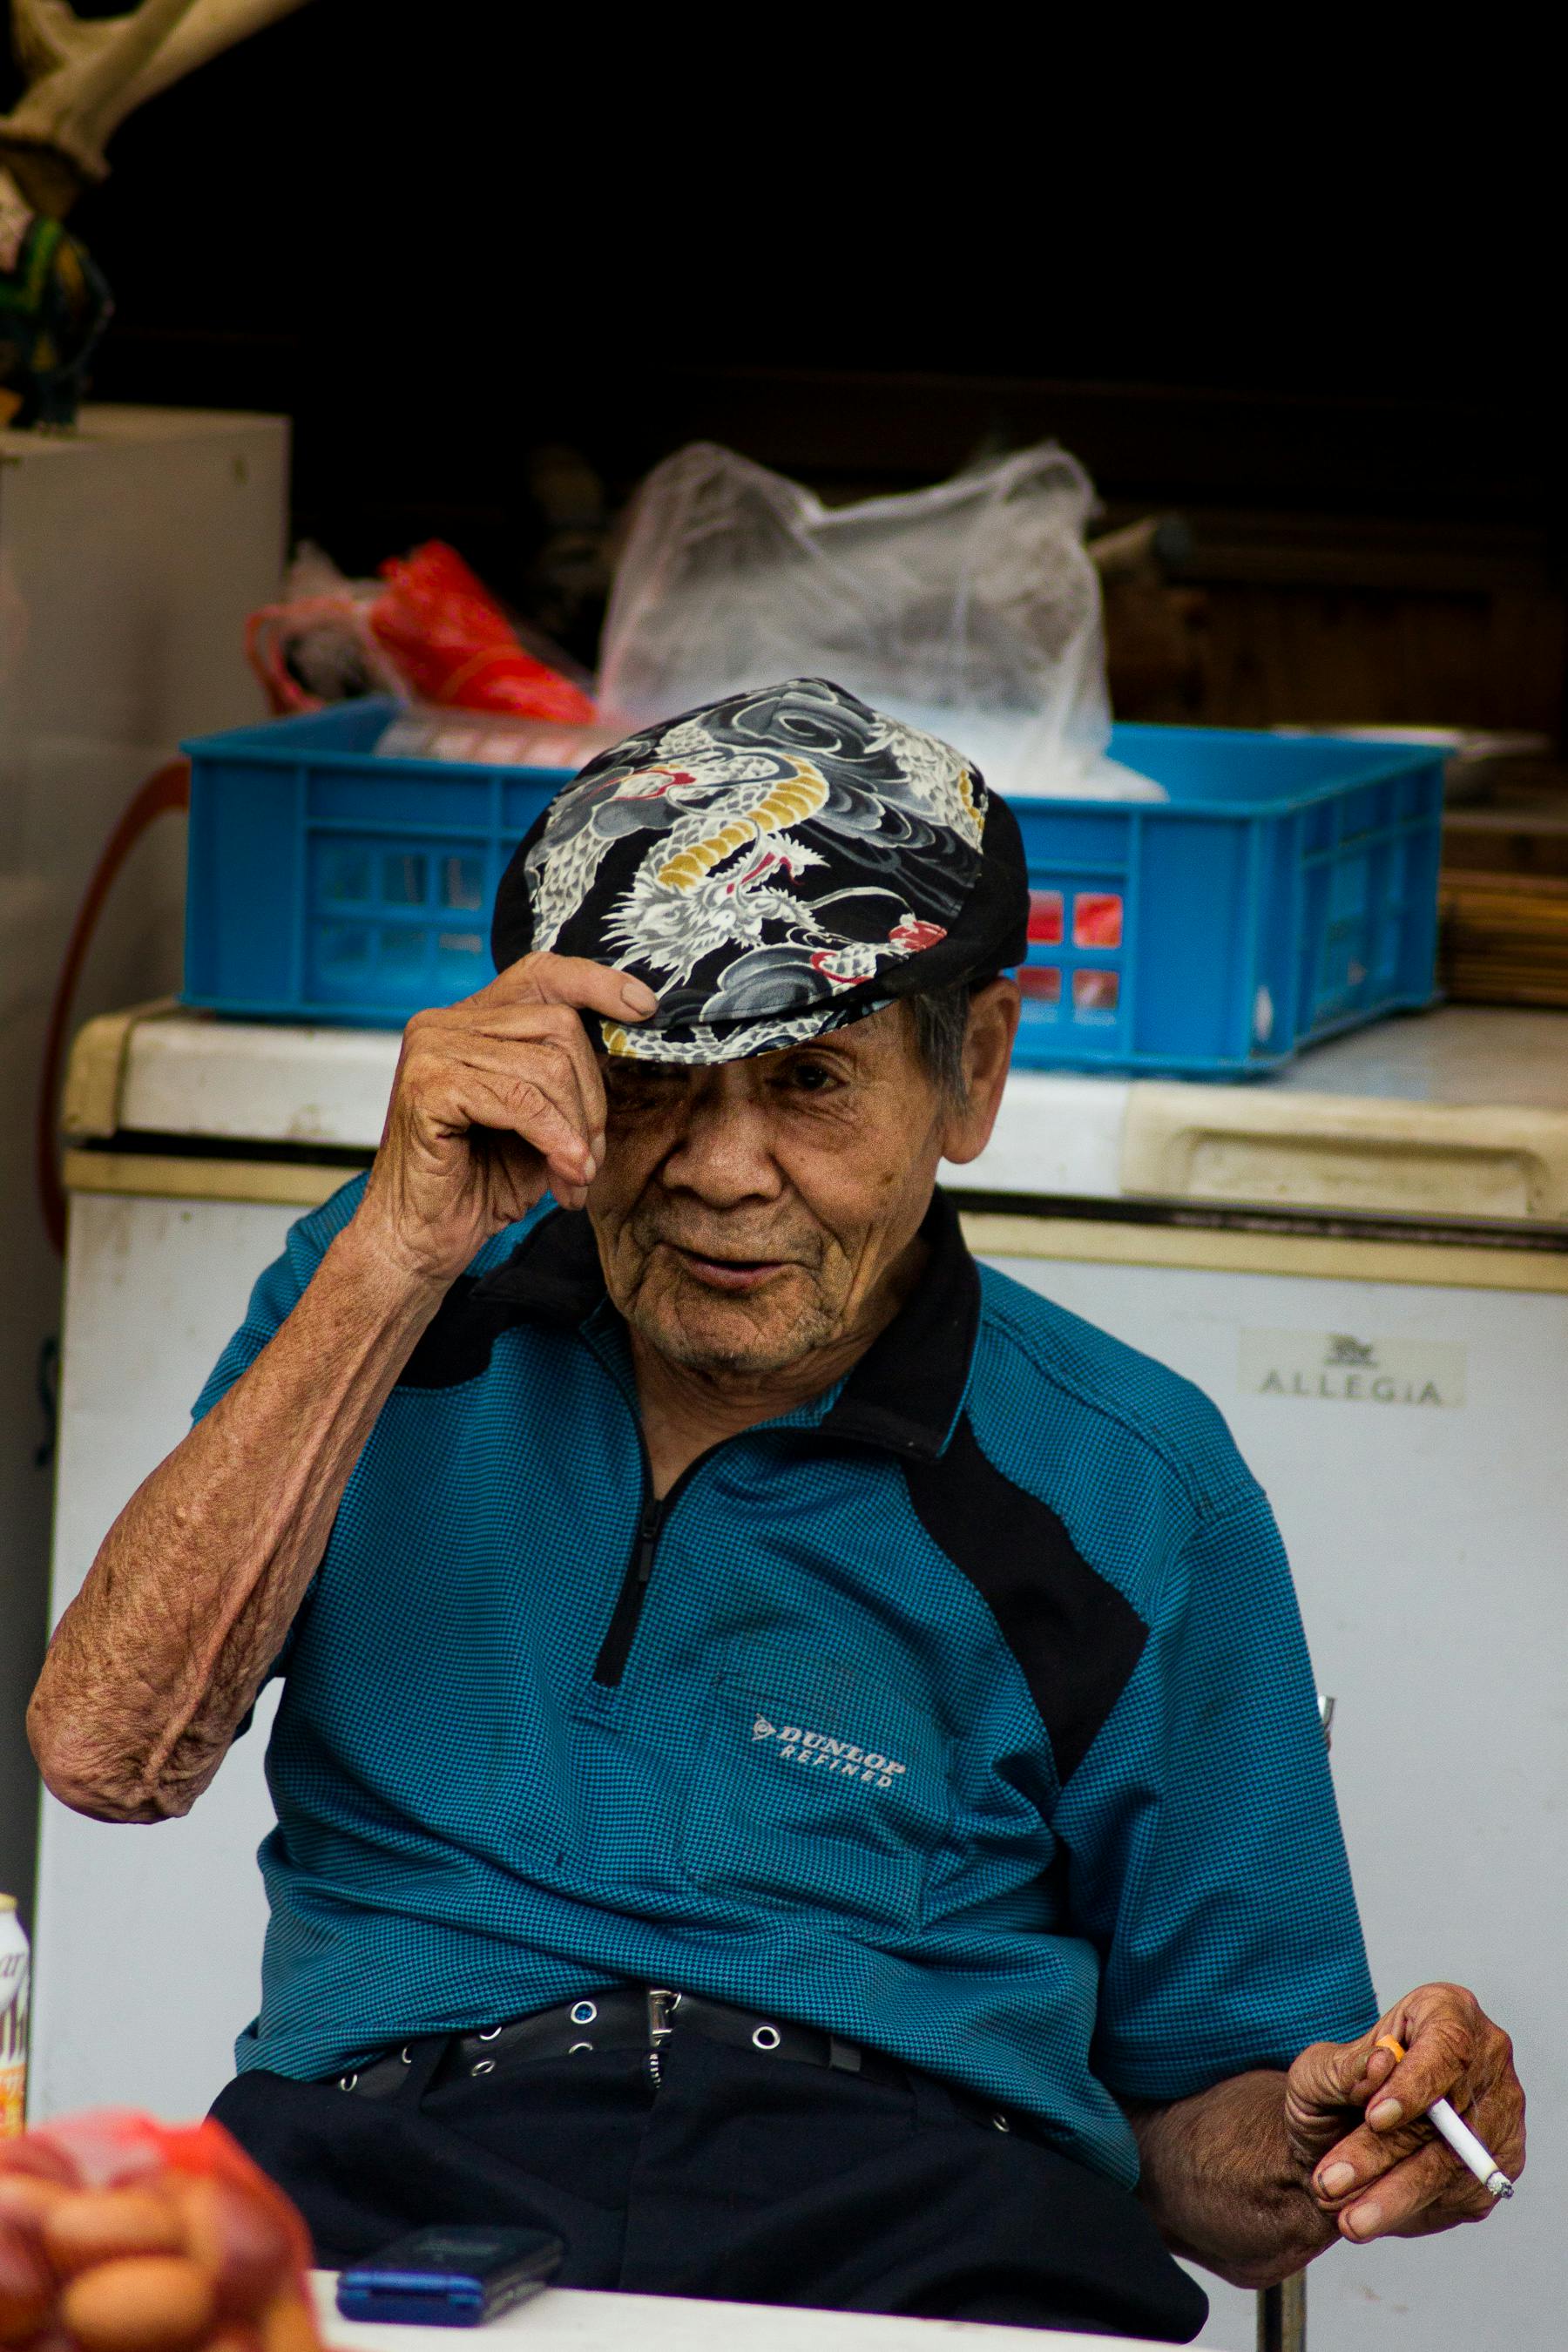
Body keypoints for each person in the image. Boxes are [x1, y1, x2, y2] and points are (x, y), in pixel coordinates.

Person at [30, 679, 1524, 2339]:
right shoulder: (387, 1300)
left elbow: (1224, 2172)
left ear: (974, 1080)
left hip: (924, 2215)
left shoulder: (1134, 1483)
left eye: (812, 1084)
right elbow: (107, 1752)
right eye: (661, 1079)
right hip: (394, 2166)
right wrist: (390, 1251)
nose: (724, 1170)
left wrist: (1342, 2138)